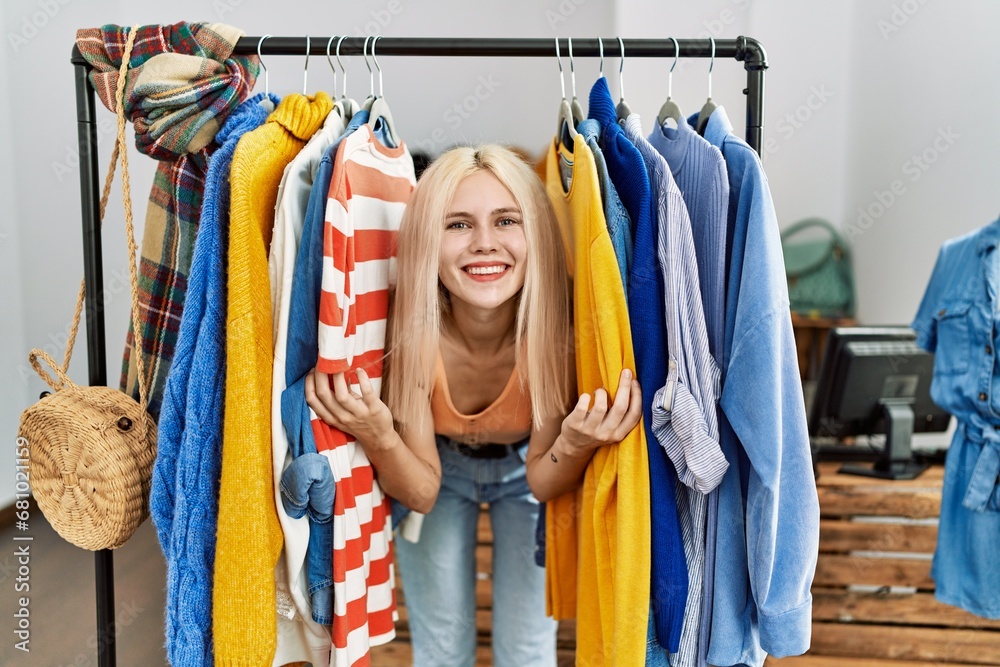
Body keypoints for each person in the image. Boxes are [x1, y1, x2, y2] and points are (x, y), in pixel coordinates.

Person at [305, 144, 642, 667]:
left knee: (527, 648)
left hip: (526, 468)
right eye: (457, 225)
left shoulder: (557, 333)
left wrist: (574, 444)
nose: (485, 244)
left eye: (506, 220)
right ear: (427, 242)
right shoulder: (412, 330)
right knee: (443, 648)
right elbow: (421, 490)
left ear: (534, 234)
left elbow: (542, 481)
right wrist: (377, 433)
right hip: (435, 464)